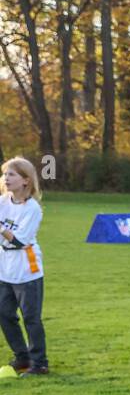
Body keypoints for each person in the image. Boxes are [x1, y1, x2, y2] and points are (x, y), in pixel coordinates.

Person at [0, 157, 47, 376]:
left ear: (26, 181)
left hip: (27, 269)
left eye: (12, 174)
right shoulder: (2, 202)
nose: (6, 178)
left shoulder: (32, 208)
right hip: (4, 268)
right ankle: (23, 356)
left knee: (31, 318)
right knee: (4, 313)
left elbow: (19, 240)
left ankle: (40, 363)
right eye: (5, 174)